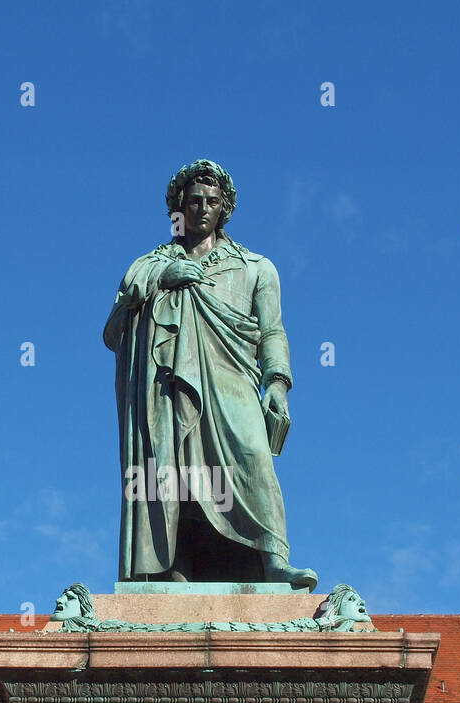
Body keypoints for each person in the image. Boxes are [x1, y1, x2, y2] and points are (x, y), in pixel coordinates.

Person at [104, 159, 317, 590]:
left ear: (225, 209)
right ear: (178, 208)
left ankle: (273, 558)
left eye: (212, 202)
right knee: (170, 471)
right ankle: (169, 566)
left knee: (252, 460)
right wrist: (161, 278)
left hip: (233, 380)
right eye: (194, 201)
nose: (203, 208)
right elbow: (112, 334)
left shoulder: (256, 267)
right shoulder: (148, 266)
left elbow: (273, 331)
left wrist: (277, 383)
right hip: (167, 391)